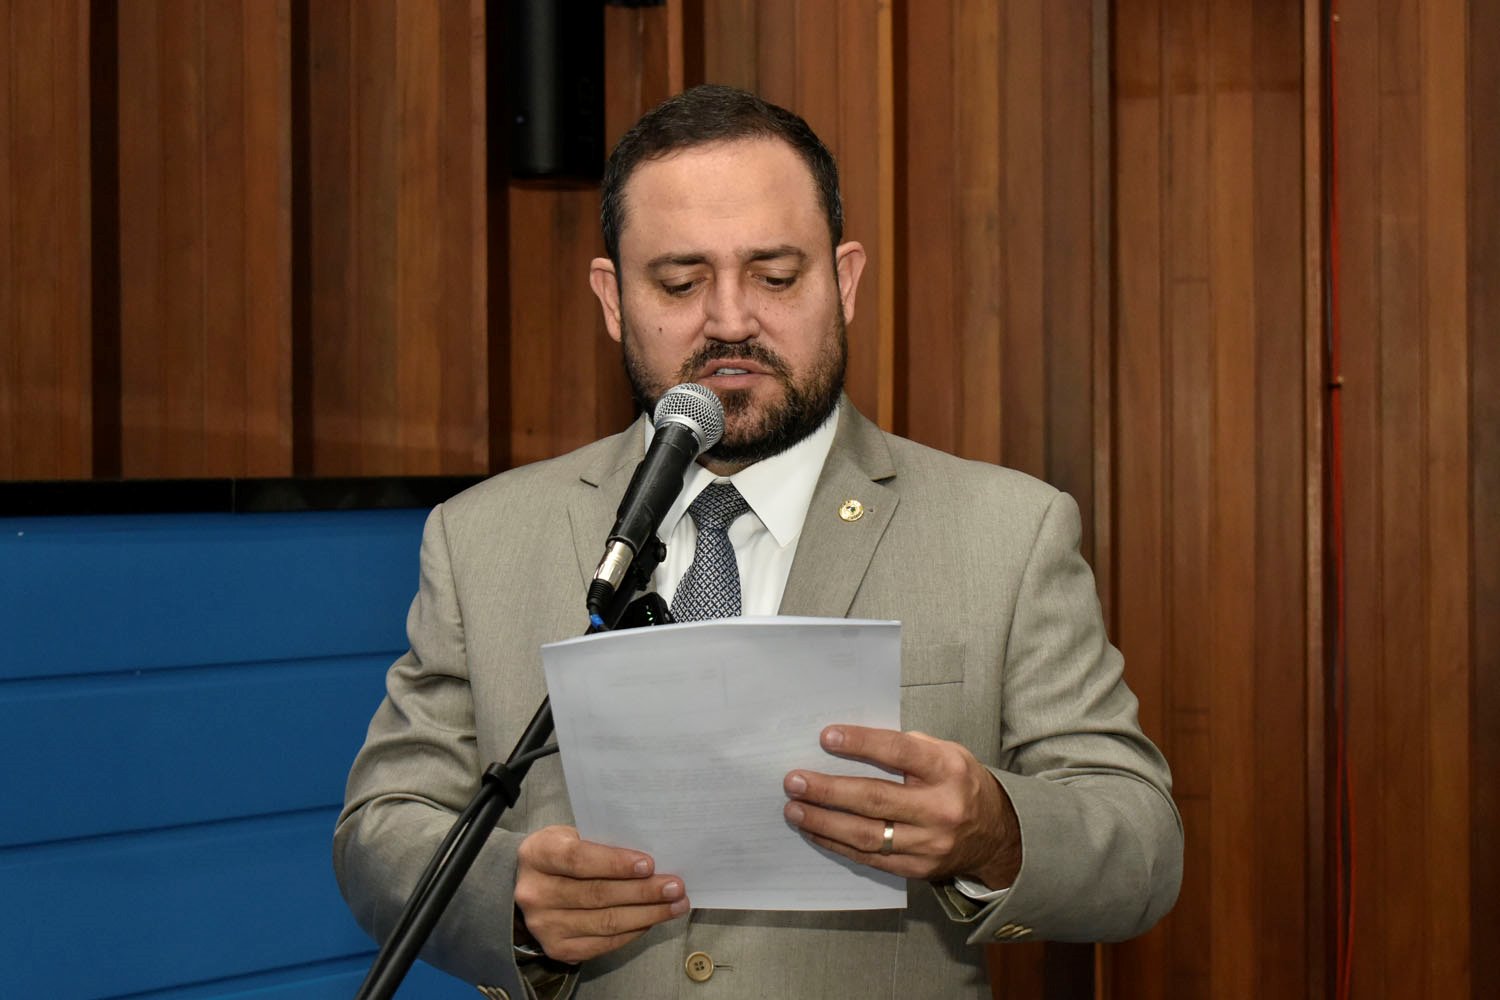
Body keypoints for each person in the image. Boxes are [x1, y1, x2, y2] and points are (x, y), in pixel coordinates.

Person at [335, 84, 1181, 999]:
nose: (731, 319)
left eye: (776, 277)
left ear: (843, 282)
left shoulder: (1006, 532)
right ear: (613, 299)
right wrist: (510, 898)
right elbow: (382, 827)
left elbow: (1141, 845)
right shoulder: (482, 537)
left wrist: (995, 830)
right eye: (681, 282)